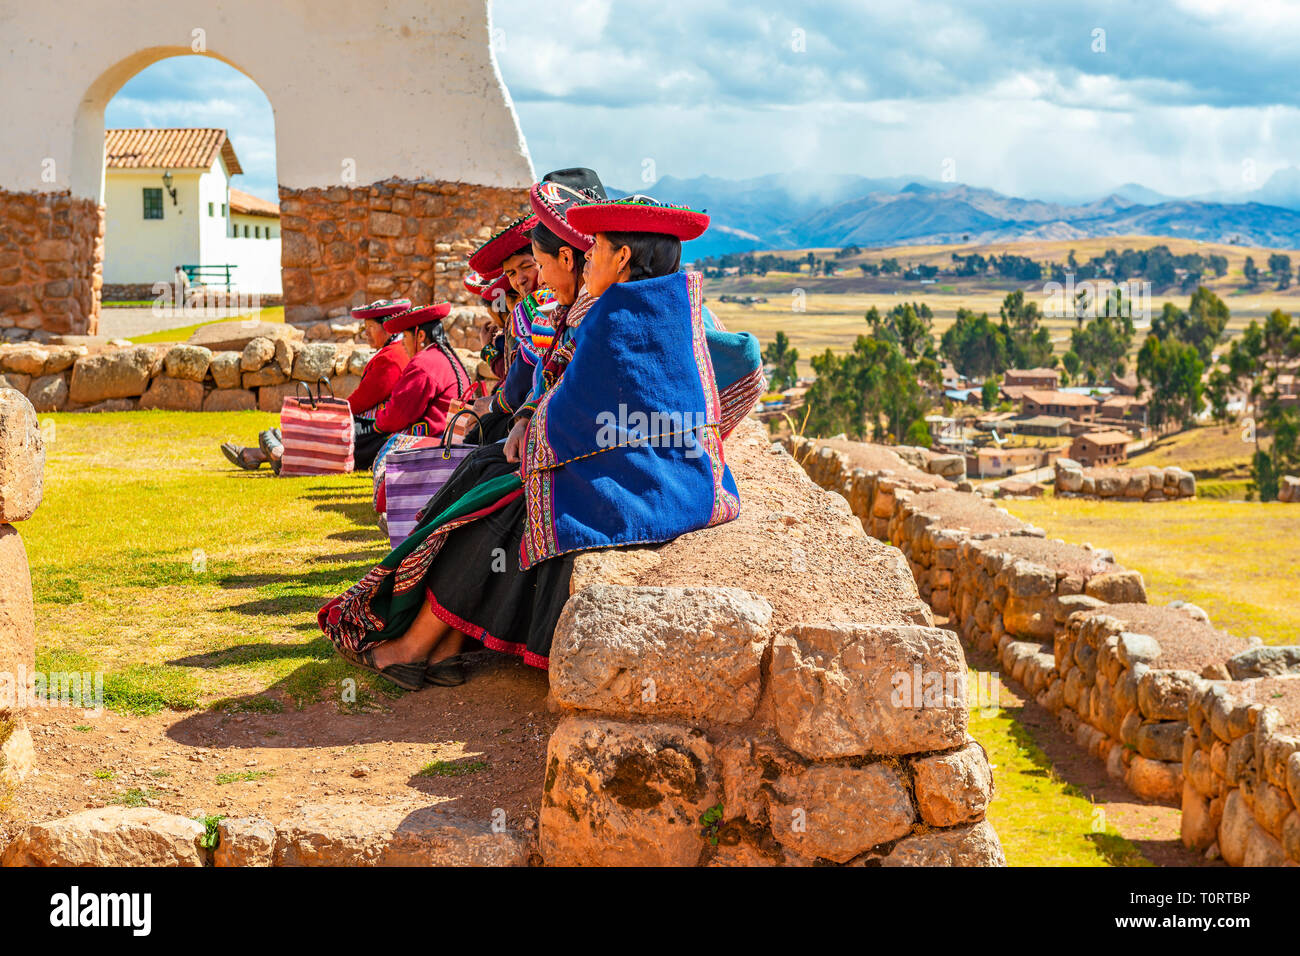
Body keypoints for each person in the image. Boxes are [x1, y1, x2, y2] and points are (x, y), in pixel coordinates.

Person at [318, 189, 740, 691]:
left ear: (622, 257)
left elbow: (571, 415)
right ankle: (447, 648)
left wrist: (529, 433)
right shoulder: (669, 308)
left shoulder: (617, 317)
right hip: (682, 479)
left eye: (597, 249)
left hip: (645, 488)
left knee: (493, 513)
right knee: (493, 486)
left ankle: (413, 649)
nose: (587, 262)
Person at [220, 298, 413, 473]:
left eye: (370, 327)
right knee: (321, 430)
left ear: (387, 328)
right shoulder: (394, 353)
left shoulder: (392, 358)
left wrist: (330, 416)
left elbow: (363, 400)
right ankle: (262, 452)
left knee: (325, 433)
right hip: (378, 428)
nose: (366, 333)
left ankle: (273, 453)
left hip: (376, 434)